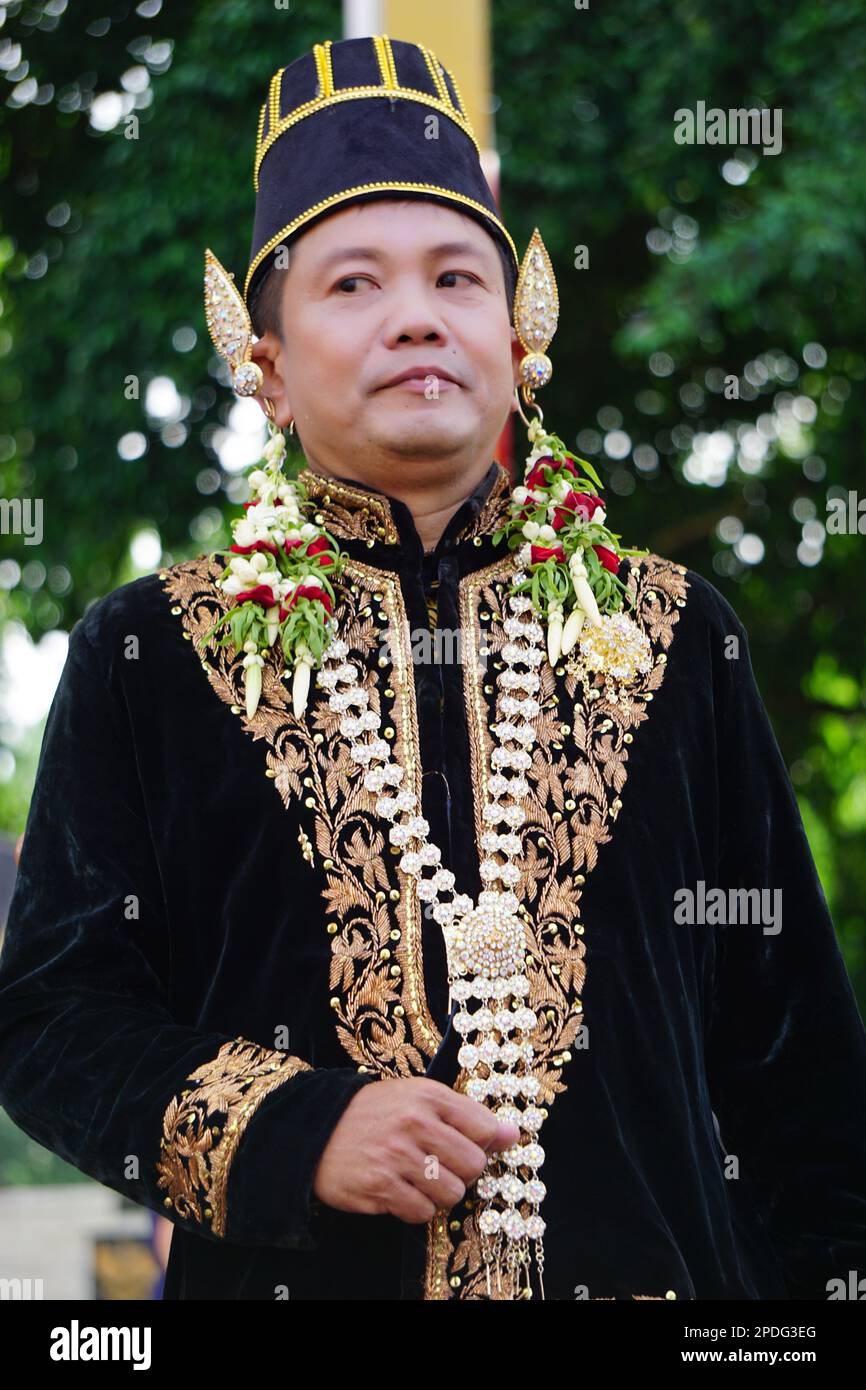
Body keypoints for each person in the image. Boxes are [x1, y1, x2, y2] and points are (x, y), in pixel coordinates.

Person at [0, 33, 864, 1303]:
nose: (417, 313)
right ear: (266, 363)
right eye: (351, 283)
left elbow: (798, 1080)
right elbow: (51, 1023)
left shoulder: (676, 636)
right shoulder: (152, 657)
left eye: (459, 277)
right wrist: (295, 1130)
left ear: (520, 335)